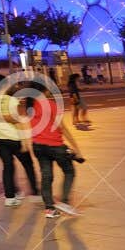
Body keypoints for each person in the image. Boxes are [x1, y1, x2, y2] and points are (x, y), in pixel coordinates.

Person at [25, 80, 84, 218]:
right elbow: (62, 128)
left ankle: (49, 209)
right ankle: (64, 201)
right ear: (44, 91)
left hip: (38, 146)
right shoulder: (50, 105)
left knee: (47, 176)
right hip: (55, 145)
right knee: (69, 171)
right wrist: (76, 148)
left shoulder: (31, 106)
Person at [0, 78, 38, 205]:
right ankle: (35, 192)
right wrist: (23, 141)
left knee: (8, 167)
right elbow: (17, 122)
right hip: (14, 138)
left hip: (1, 139)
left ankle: (9, 198)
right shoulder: (12, 101)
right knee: (28, 164)